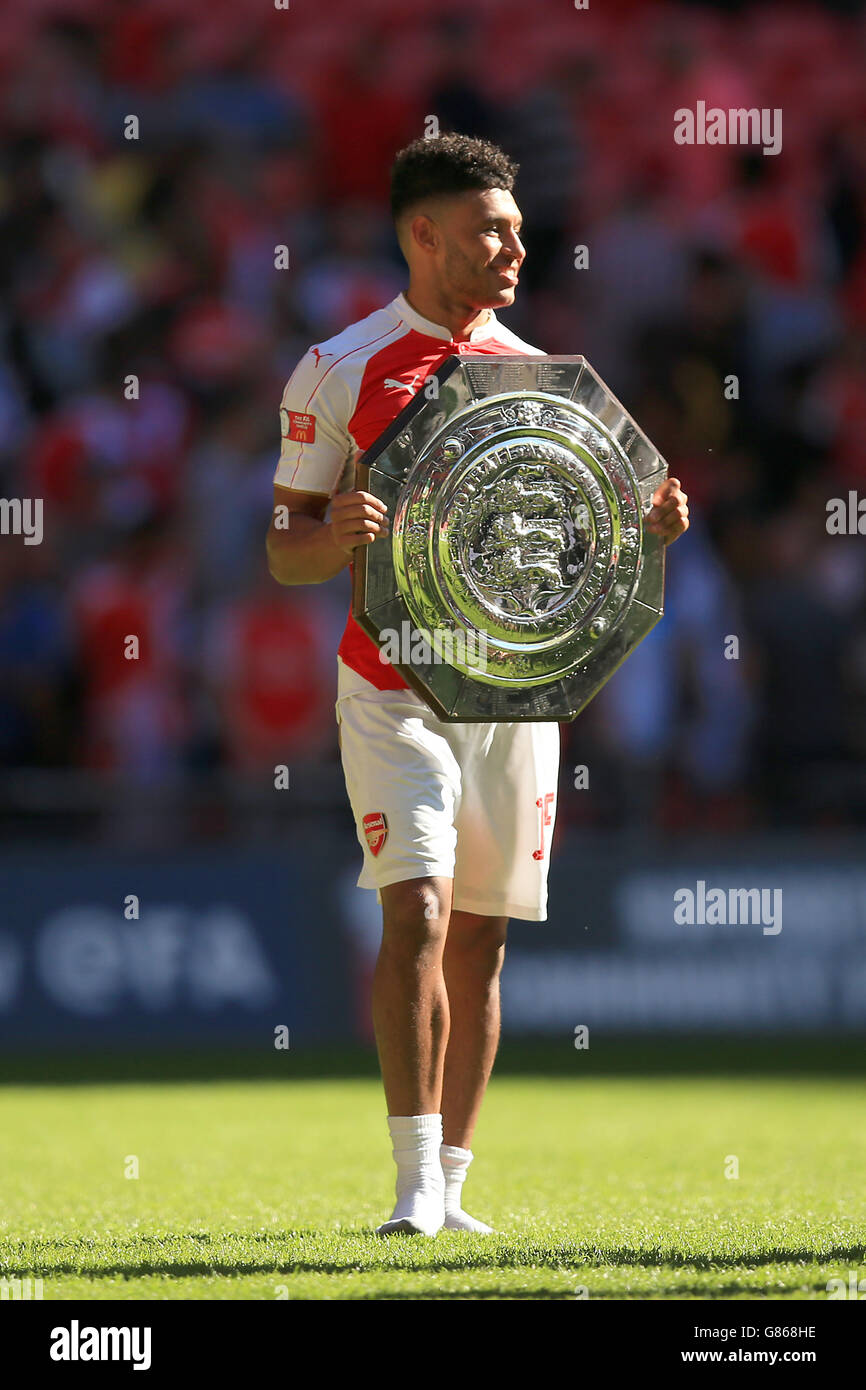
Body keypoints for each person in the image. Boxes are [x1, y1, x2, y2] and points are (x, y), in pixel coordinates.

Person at [266, 134, 689, 1236]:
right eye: (490, 228)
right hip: (391, 686)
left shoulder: (539, 377)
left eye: (515, 228)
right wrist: (334, 536)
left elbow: (575, 558)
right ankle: (410, 1189)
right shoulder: (339, 366)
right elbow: (281, 542)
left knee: (483, 935)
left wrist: (648, 533)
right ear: (422, 233)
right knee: (414, 907)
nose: (515, 246)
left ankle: (454, 1186)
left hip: (511, 693)